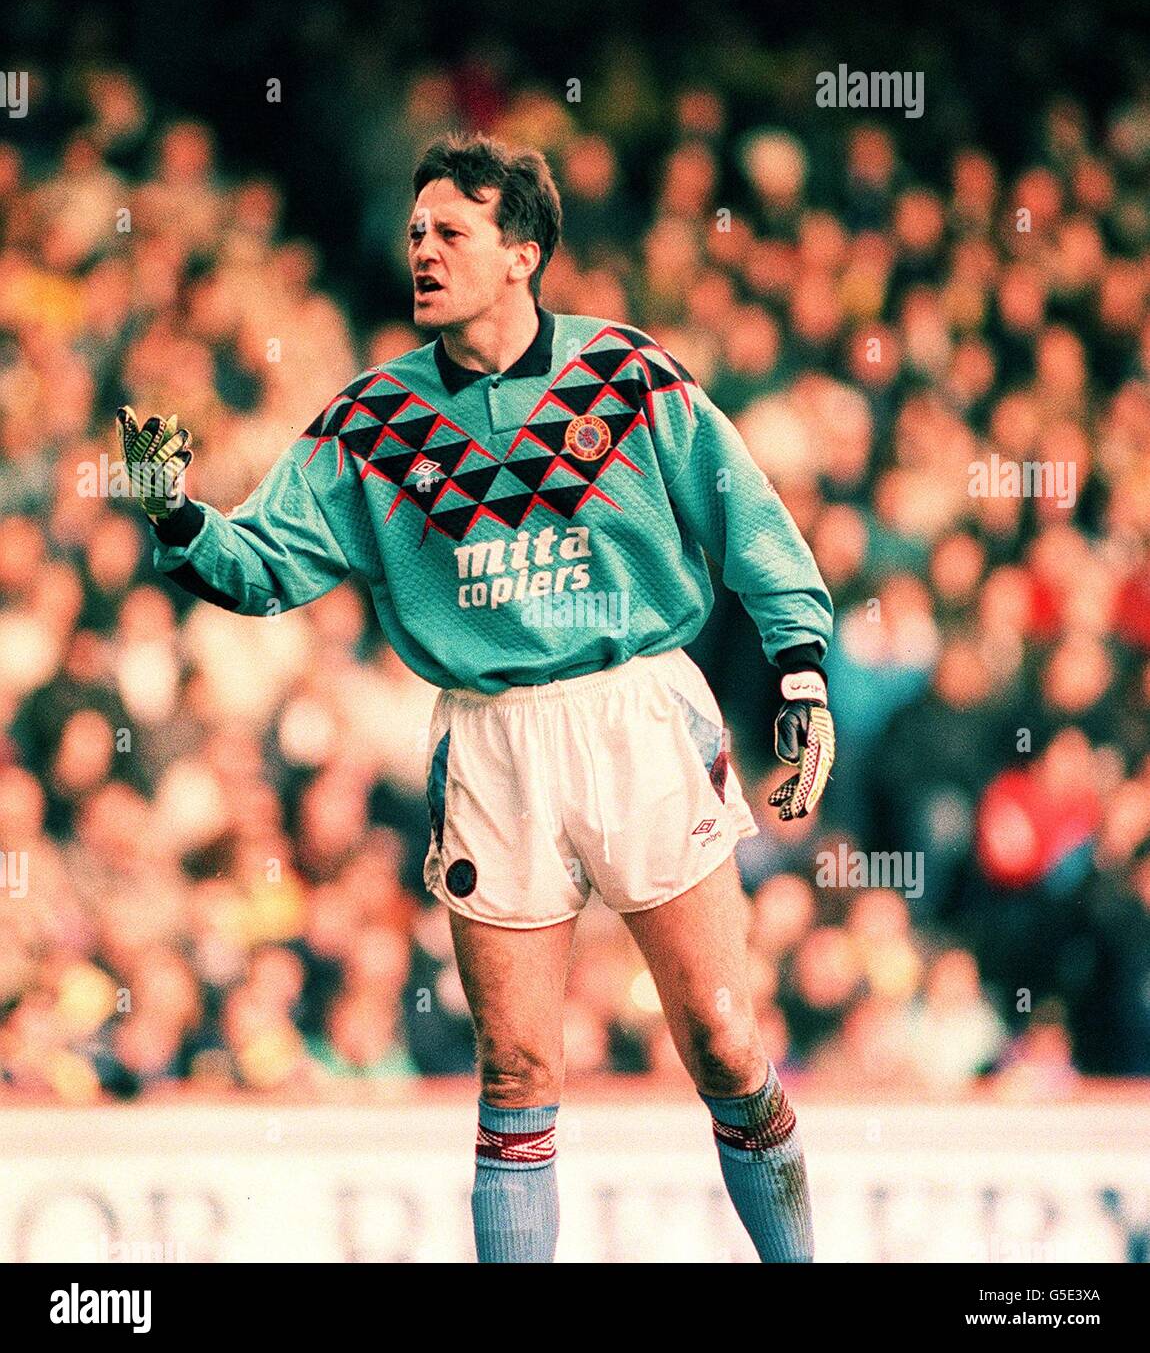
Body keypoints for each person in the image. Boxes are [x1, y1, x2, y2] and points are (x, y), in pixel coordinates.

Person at [117, 133, 835, 1263]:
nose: (424, 252)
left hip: (637, 709)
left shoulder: (625, 373)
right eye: (414, 234)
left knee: (724, 1040)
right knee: (513, 1069)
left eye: (451, 232)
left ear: (523, 252)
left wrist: (800, 662)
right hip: (489, 737)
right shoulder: (370, 423)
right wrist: (175, 518)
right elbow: (260, 567)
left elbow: (744, 513)